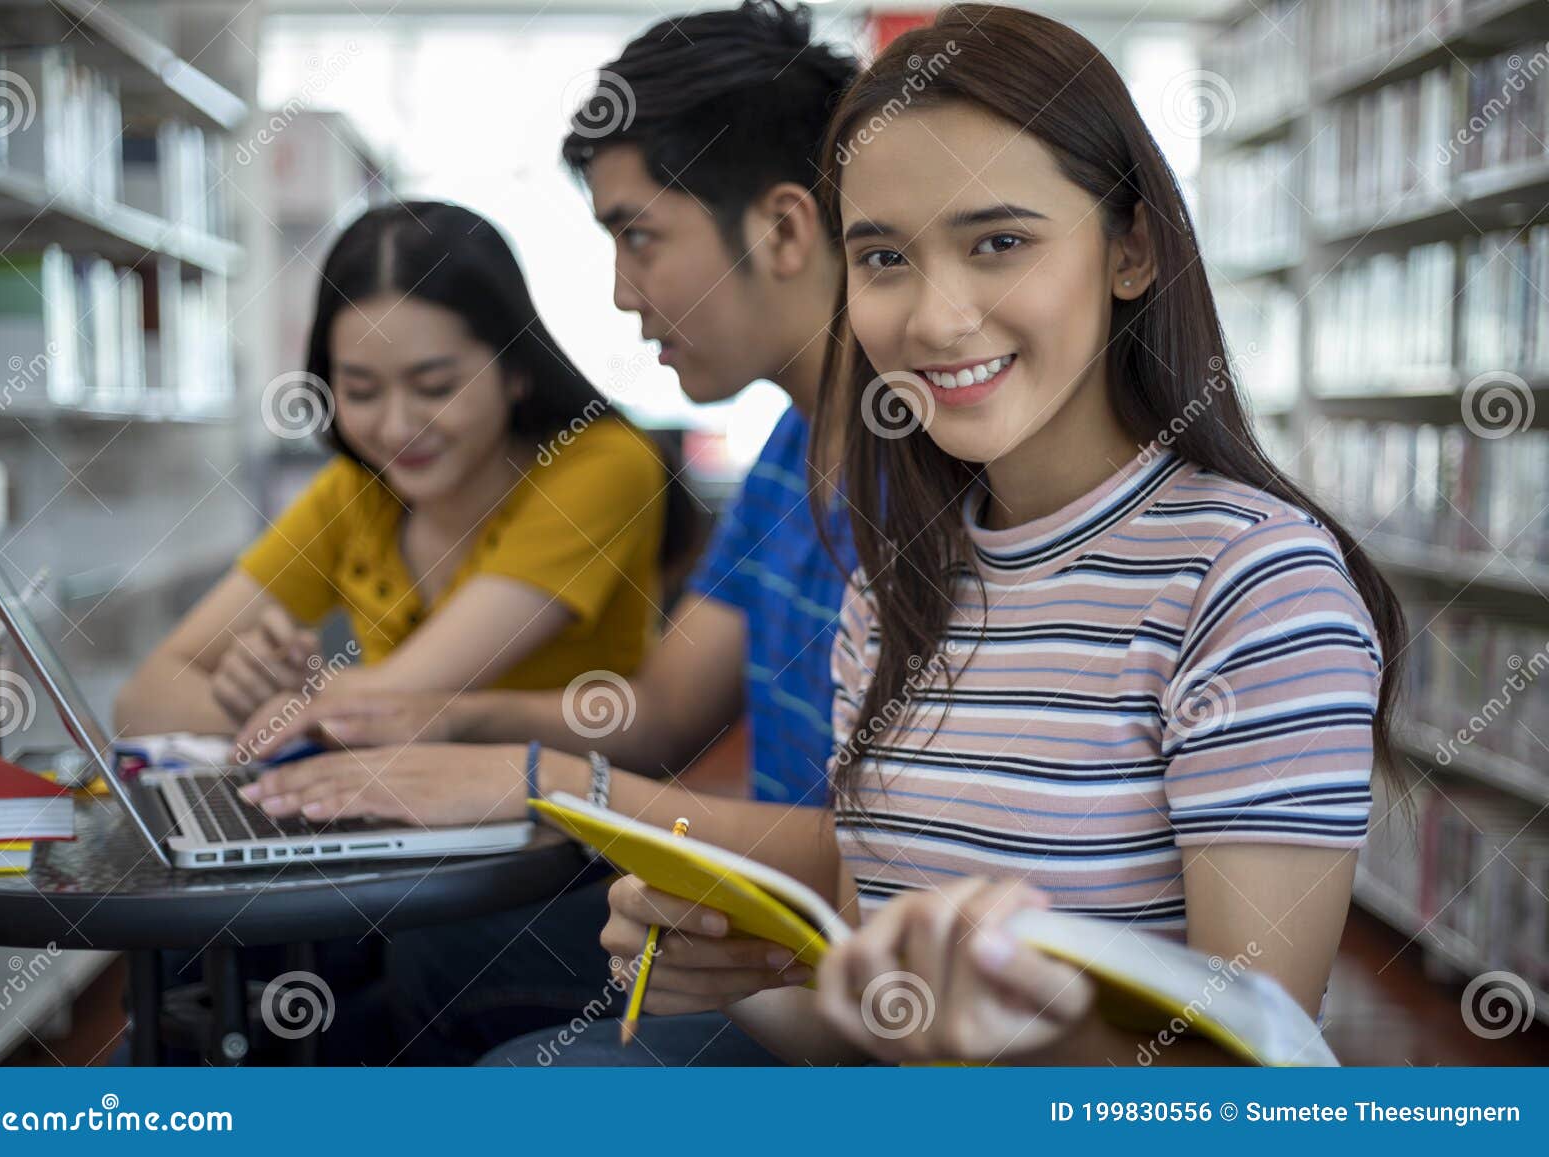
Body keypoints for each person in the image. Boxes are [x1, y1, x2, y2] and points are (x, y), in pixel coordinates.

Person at [478, 3, 1407, 1066]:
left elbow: (1255, 1092)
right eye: (883, 257)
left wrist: (1043, 1043)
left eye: (999, 242)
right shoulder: (891, 585)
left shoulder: (1255, 586)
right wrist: (747, 969)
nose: (934, 318)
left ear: (1132, 248)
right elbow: (873, 1021)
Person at [236, 2, 861, 1064]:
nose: (620, 293)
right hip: (765, 925)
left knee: (427, 963)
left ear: (786, 231)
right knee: (328, 959)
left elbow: (880, 857)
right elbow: (664, 712)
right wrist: (454, 720)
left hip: (832, 963)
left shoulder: (920, 468)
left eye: (638, 235)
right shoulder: (787, 454)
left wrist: (544, 779)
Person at [114, 201, 666, 737]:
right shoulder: (356, 492)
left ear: (516, 370)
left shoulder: (603, 464)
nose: (398, 428)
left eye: (435, 387)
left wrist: (280, 707)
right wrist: (259, 701)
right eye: (361, 391)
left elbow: (392, 703)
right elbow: (142, 701)